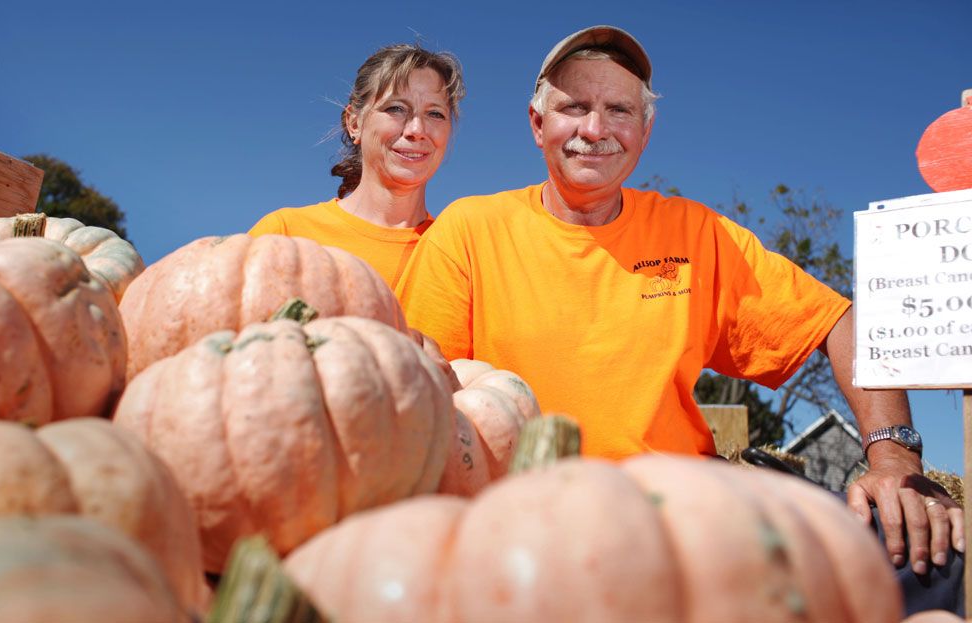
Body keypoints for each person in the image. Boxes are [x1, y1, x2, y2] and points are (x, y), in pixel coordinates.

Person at [397, 25, 964, 614]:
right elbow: (420, 385)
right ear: (538, 124)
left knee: (920, 543)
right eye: (574, 108)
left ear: (644, 131)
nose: (595, 129)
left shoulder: (698, 234)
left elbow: (836, 324)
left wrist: (894, 456)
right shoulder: (470, 231)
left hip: (685, 518)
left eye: (619, 110)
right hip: (530, 524)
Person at [249, 44, 465, 290]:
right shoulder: (284, 235)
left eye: (435, 114)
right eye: (396, 109)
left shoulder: (458, 254)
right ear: (354, 123)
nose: (417, 130)